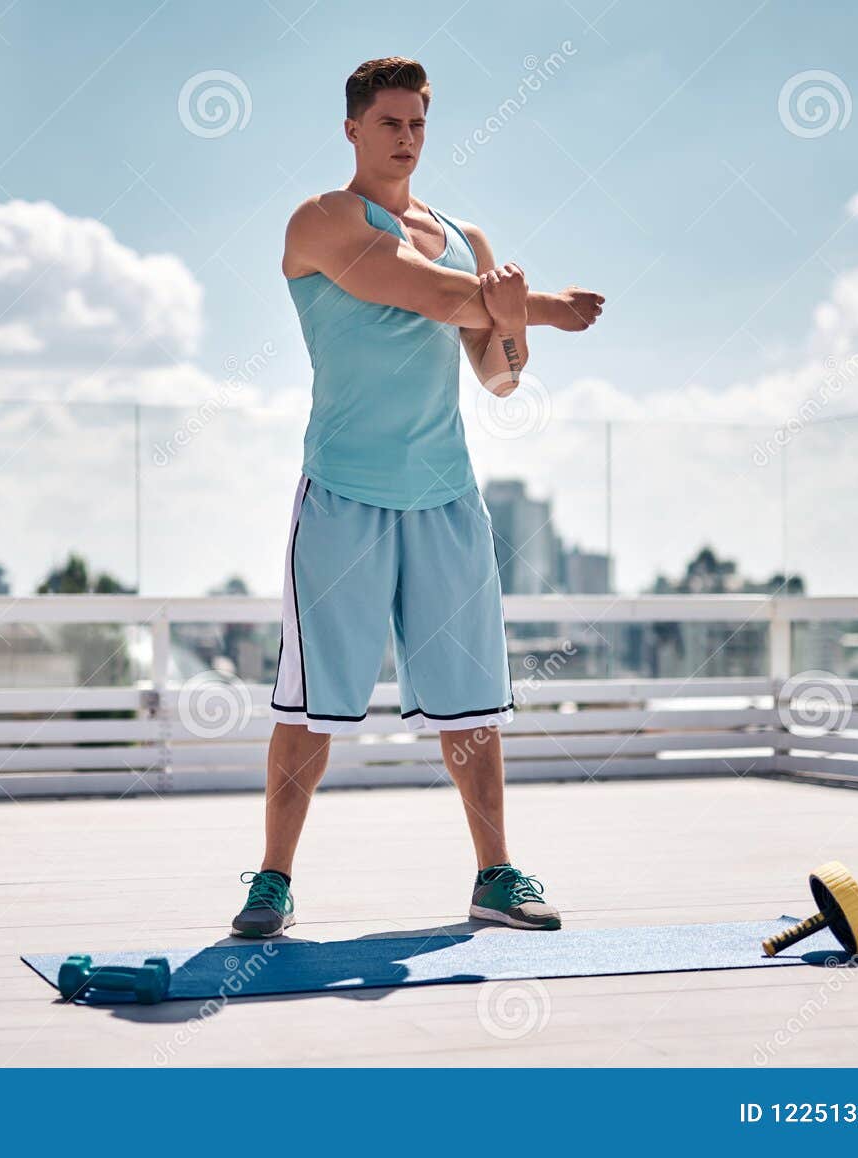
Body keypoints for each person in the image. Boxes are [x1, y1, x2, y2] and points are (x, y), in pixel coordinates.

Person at [232, 56, 605, 938]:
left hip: (443, 498)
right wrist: (537, 306)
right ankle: (272, 882)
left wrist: (511, 321)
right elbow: (413, 287)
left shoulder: (467, 240)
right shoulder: (320, 221)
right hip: (344, 495)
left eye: (418, 124)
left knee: (471, 705)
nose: (406, 139)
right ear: (354, 129)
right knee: (310, 706)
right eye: (389, 123)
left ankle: (495, 876)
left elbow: (501, 378)